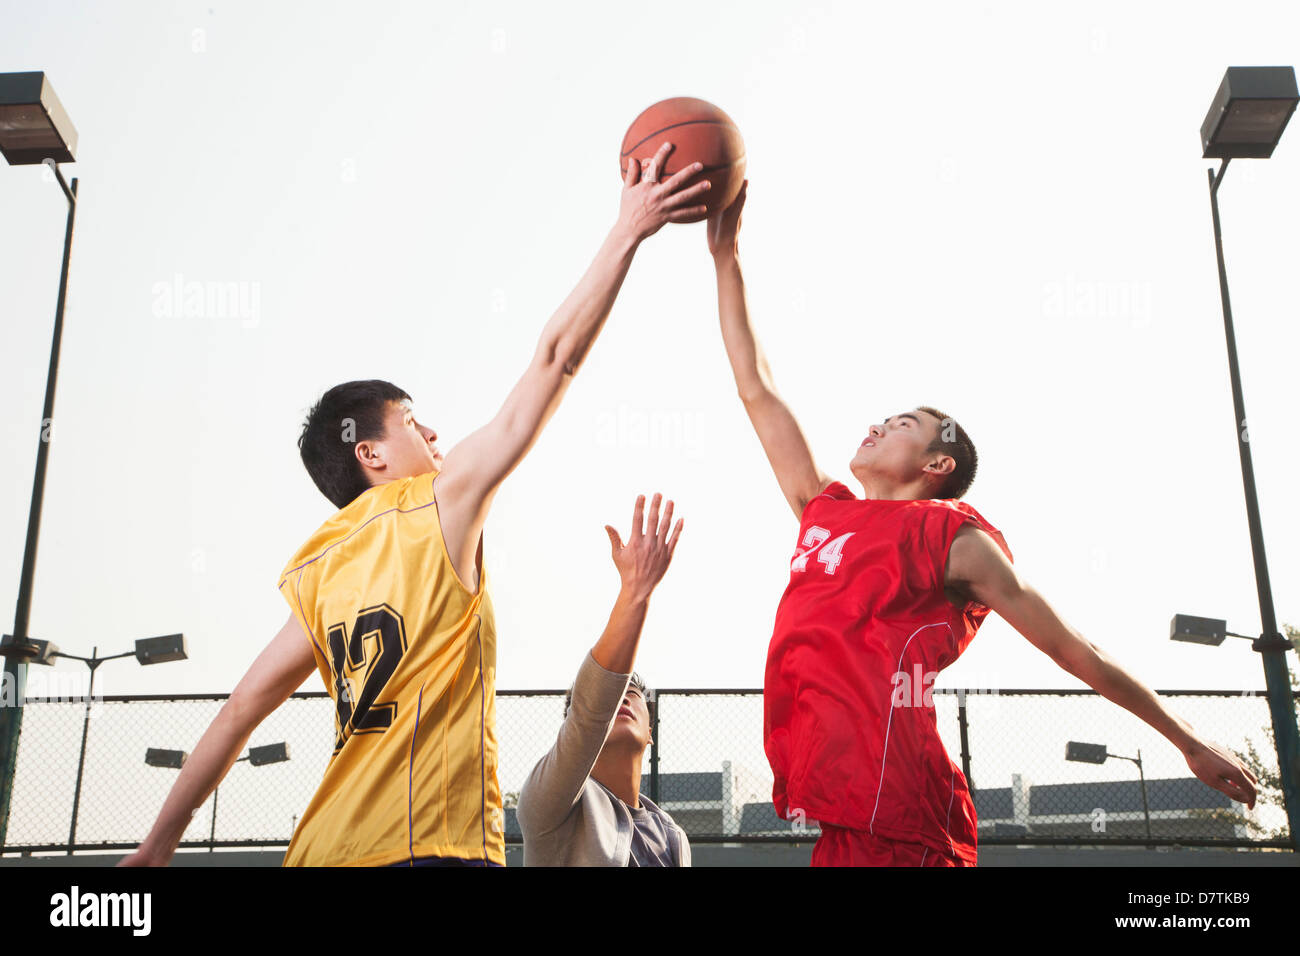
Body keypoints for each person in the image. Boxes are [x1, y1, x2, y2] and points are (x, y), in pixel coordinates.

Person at [118, 143, 712, 868]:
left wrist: (156, 847)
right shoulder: (440, 500)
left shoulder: (320, 567)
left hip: (321, 851)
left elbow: (241, 710)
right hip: (426, 845)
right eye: (411, 421)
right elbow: (555, 360)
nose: (433, 432)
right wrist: (627, 229)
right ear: (370, 454)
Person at [705, 179, 1259, 867]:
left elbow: (1072, 648)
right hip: (841, 810)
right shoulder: (826, 513)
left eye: (903, 423)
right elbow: (756, 386)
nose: (878, 423)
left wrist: (1187, 740)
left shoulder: (953, 540)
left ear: (937, 463)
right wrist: (726, 254)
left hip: (904, 813)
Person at [517, 493, 690, 867]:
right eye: (614, 695)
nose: (622, 699)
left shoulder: (672, 835)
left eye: (633, 695)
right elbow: (590, 713)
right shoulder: (550, 805)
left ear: (651, 734)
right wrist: (636, 590)